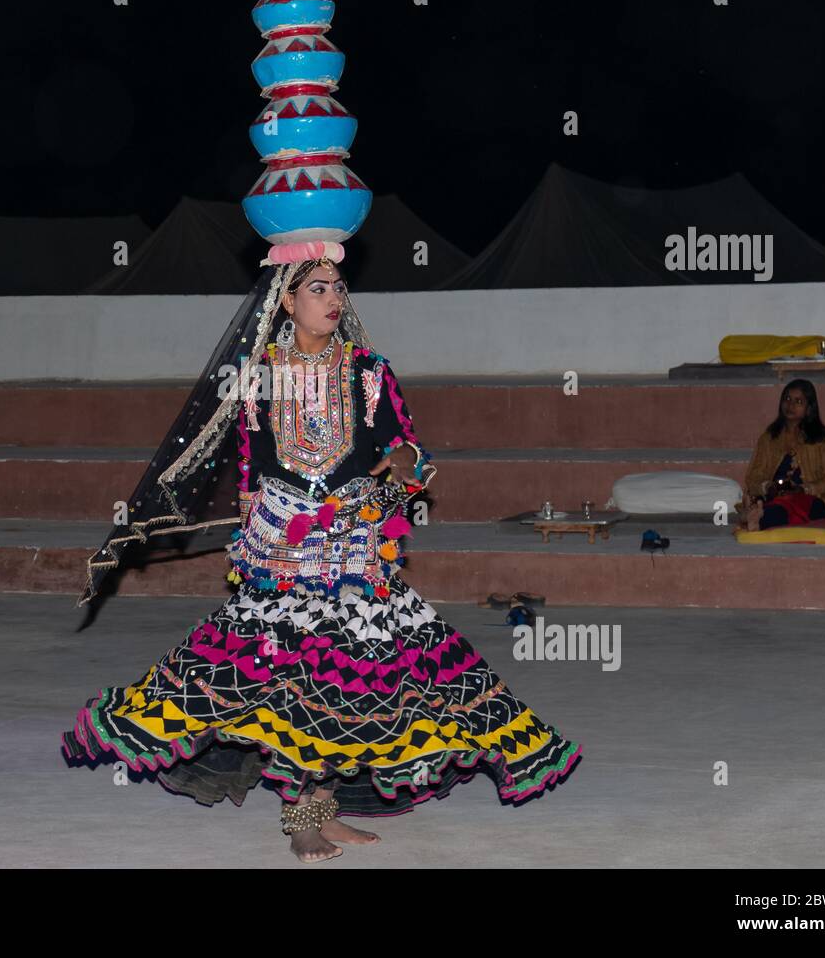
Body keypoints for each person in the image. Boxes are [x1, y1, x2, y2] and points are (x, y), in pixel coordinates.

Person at [62, 250, 581, 864]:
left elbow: (404, 445)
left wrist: (406, 465)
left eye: (338, 286)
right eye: (317, 288)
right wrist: (263, 524)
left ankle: (324, 806)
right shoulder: (257, 376)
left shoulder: (369, 370)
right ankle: (300, 814)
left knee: (361, 675)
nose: (334, 298)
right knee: (292, 677)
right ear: (286, 301)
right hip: (283, 545)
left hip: (357, 541)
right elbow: (251, 466)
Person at [742, 379, 825, 531]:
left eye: (798, 401)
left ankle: (758, 517)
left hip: (816, 499)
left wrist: (806, 489)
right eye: (787, 399)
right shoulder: (769, 437)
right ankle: (758, 514)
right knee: (774, 503)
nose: (790, 405)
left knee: (795, 506)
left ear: (809, 408)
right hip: (776, 497)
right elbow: (754, 475)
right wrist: (767, 487)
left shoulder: (823, 437)